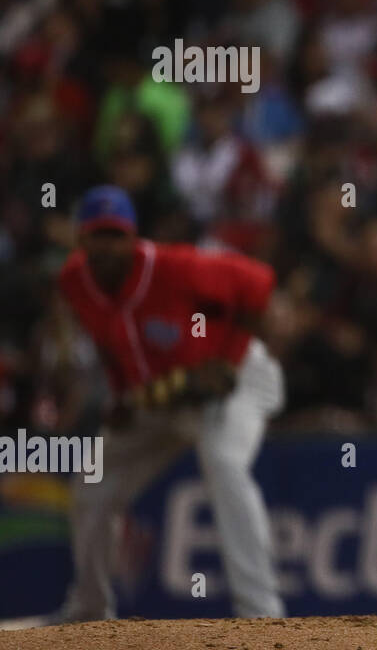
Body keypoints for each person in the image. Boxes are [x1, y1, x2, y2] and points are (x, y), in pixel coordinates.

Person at [57, 186, 285, 621]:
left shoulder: (175, 267)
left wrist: (229, 361)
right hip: (160, 399)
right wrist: (121, 392)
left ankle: (261, 613)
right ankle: (88, 606)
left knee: (223, 463)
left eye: (116, 234)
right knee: (92, 482)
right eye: (97, 234)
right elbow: (111, 343)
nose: (107, 245)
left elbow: (259, 283)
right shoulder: (74, 281)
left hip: (236, 383)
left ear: (133, 237)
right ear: (80, 240)